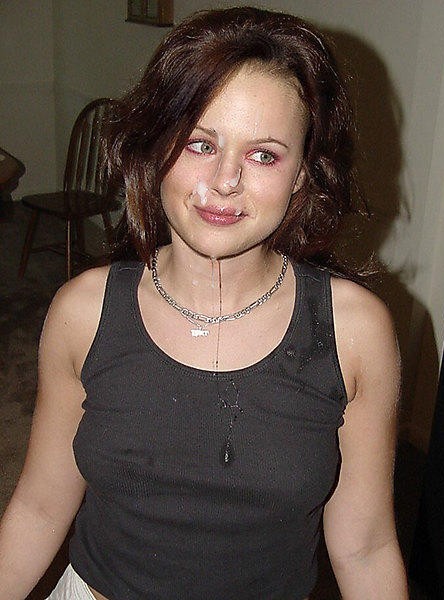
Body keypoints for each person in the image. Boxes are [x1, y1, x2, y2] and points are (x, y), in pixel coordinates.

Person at [0, 6, 409, 599]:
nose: (224, 180)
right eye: (199, 143)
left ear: (302, 174)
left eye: (264, 154)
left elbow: (366, 547)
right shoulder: (82, 312)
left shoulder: (354, 332)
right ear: (156, 148)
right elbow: (39, 507)